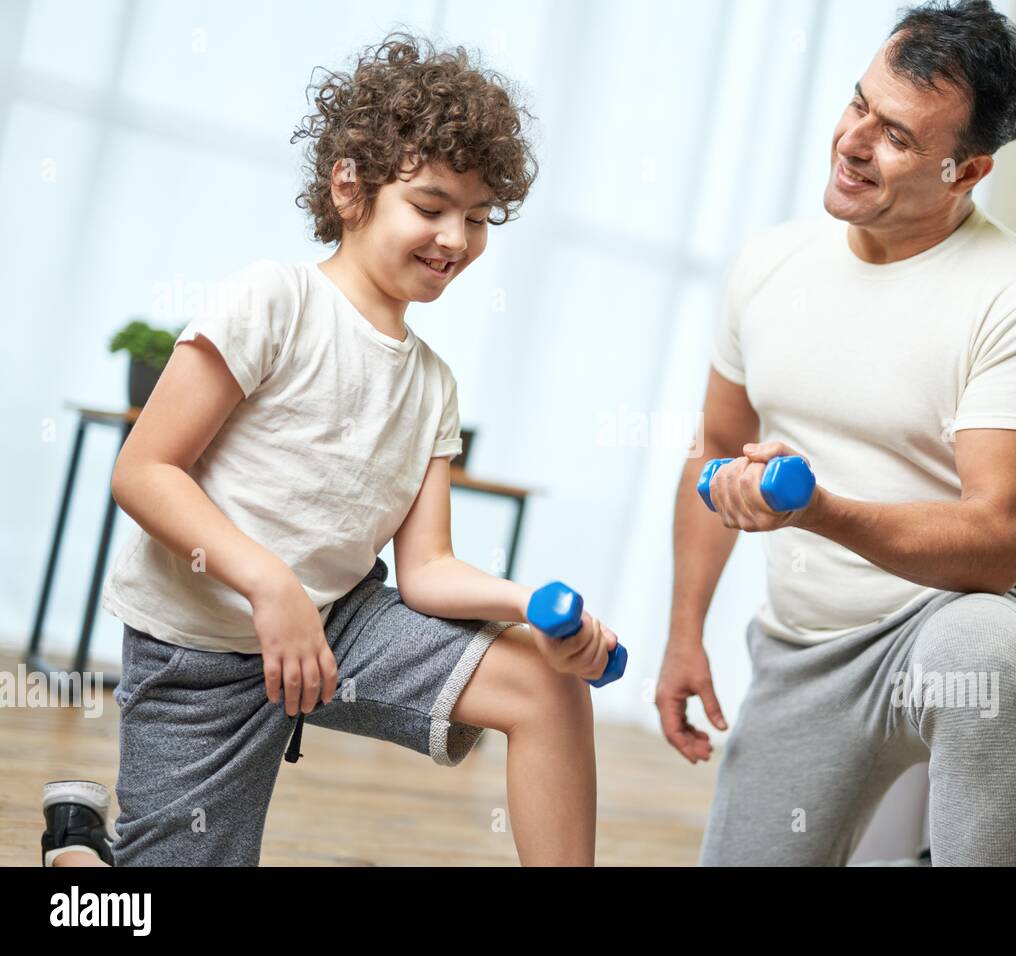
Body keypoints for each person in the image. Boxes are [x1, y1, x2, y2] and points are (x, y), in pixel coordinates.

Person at [41, 33, 620, 868]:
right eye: (430, 206)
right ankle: (77, 854)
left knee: (546, 684)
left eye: (478, 217)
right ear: (351, 186)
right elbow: (143, 470)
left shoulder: (433, 385)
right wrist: (269, 583)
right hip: (201, 648)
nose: (456, 237)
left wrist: (528, 605)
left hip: (340, 621)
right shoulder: (273, 301)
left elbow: (427, 571)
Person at [657, 0, 1016, 866]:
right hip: (804, 646)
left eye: (897, 136)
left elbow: (996, 545)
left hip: (948, 617)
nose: (854, 142)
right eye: (858, 103)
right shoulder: (771, 265)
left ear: (966, 170)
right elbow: (713, 451)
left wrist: (819, 510)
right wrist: (686, 635)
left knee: (985, 642)